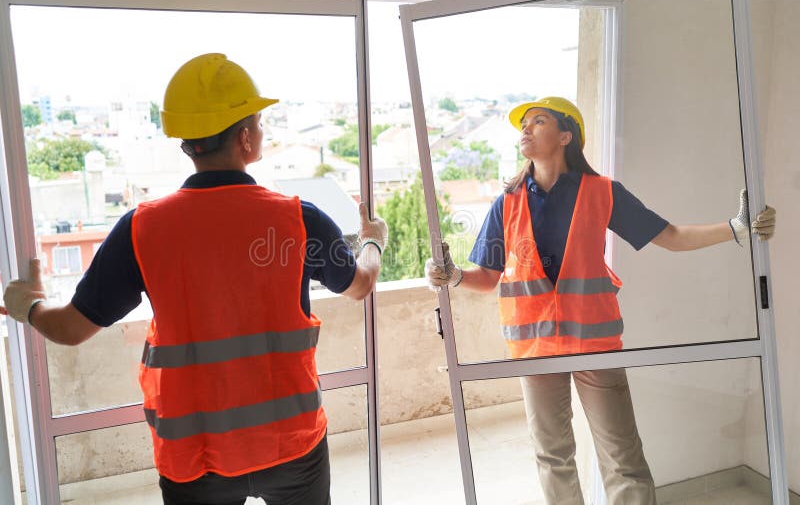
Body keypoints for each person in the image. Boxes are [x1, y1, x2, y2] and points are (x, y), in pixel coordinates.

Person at [1, 53, 388, 505]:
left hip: (195, 457)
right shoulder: (297, 220)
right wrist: (371, 240)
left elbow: (68, 328)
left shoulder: (142, 229)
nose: (261, 130)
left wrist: (28, 304)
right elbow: (360, 284)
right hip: (291, 445)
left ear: (188, 143)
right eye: (258, 121)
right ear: (245, 138)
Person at [425, 96, 775, 505]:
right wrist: (452, 277)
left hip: (594, 345)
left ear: (566, 135)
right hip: (535, 350)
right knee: (553, 456)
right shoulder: (508, 201)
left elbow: (671, 237)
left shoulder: (602, 192)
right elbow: (487, 277)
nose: (525, 129)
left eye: (538, 121)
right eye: (523, 124)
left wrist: (735, 228)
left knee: (623, 459)